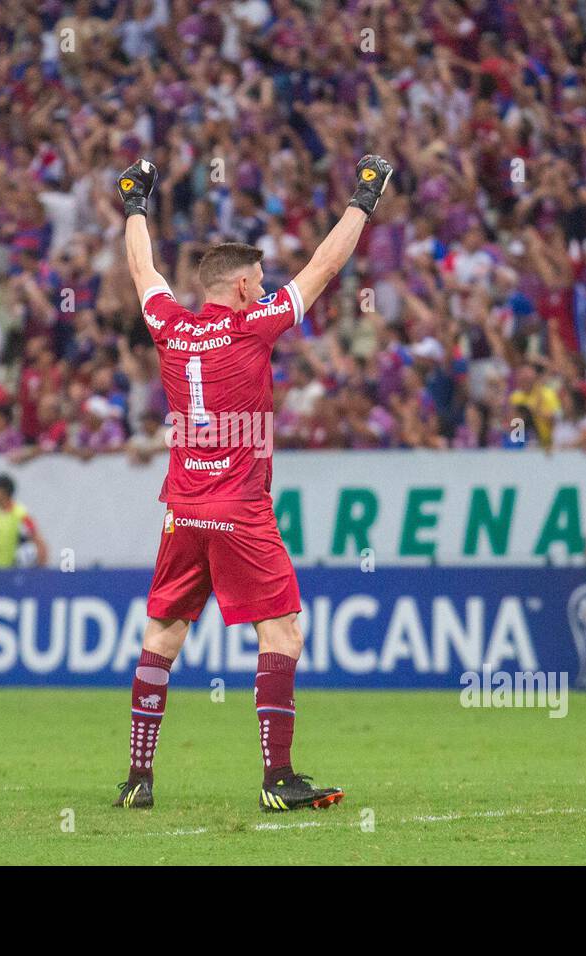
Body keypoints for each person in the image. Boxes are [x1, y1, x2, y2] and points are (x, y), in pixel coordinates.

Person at [113, 154, 393, 812]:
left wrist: (134, 205)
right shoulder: (253, 325)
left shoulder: (170, 327)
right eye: (261, 280)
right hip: (239, 511)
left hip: (183, 511)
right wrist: (364, 199)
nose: (267, 289)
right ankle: (277, 779)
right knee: (284, 633)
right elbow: (325, 266)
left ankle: (138, 779)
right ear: (241, 287)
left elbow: (141, 268)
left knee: (162, 637)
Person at [0, 473, 47, 569]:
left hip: (11, 573)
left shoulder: (21, 515)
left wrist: (39, 574)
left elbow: (40, 544)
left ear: (2, 492)